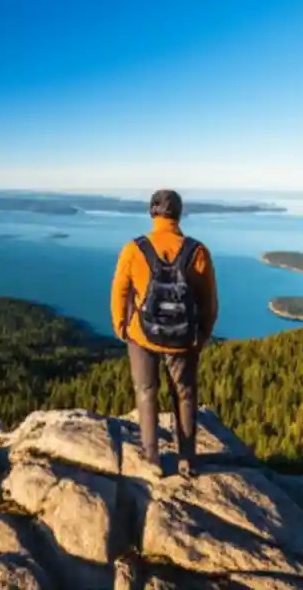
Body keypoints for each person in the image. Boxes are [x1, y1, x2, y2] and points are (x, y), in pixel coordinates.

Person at [110, 189, 218, 479]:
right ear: (179, 215)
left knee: (146, 391)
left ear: (152, 212)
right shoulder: (197, 251)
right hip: (184, 338)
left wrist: (121, 324)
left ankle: (153, 458)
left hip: (142, 334)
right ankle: (187, 460)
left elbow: (120, 290)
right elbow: (209, 300)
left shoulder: (135, 248)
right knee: (184, 394)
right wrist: (203, 334)